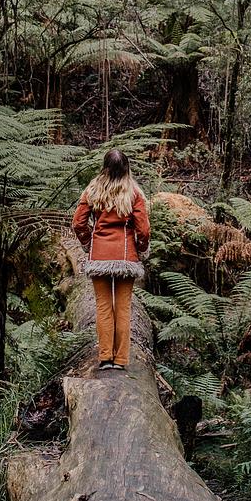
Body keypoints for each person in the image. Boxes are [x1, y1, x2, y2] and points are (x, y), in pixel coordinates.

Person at [71, 149, 151, 372]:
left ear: (104, 167)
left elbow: (78, 223)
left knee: (103, 307)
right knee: (123, 308)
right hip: (126, 257)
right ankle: (121, 360)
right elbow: (143, 230)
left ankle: (105, 358)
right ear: (127, 168)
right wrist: (142, 250)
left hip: (99, 257)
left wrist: (89, 243)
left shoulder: (93, 189)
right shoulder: (134, 192)